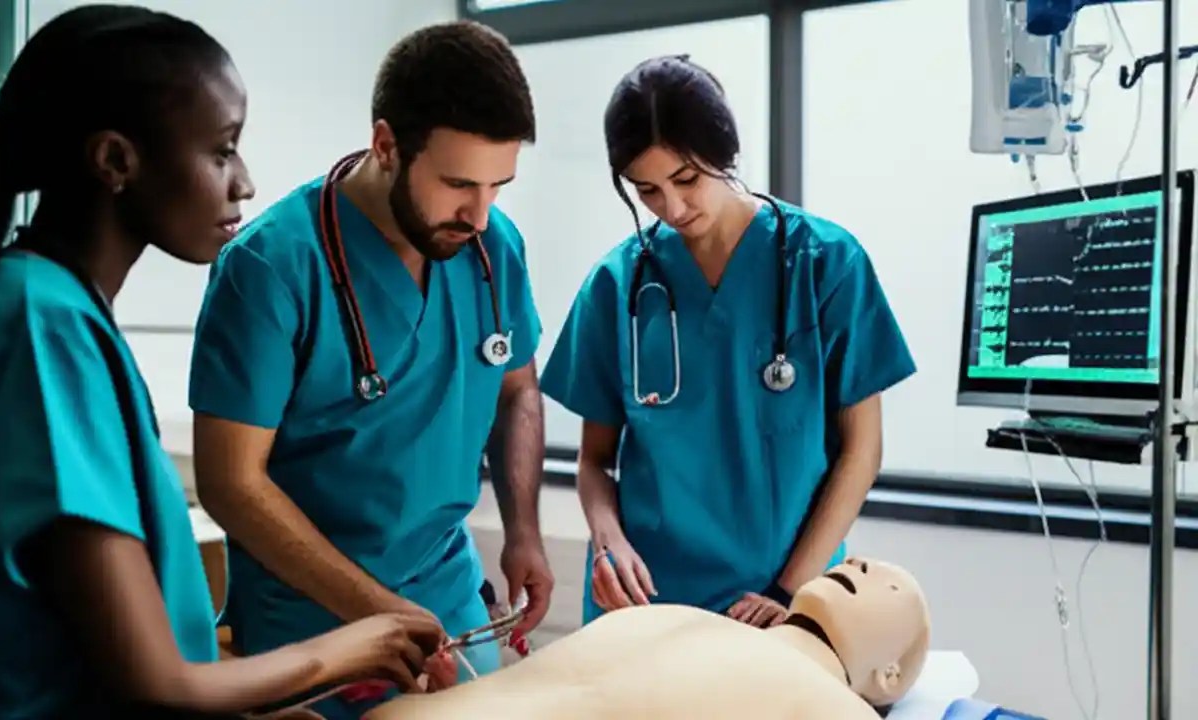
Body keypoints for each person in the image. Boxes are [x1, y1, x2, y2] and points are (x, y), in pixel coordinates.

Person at [0, 6, 446, 718]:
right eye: (223, 150)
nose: (246, 182)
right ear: (115, 161)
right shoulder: (36, 324)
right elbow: (156, 681)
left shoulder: (57, 309)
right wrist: (352, 646)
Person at [187, 20, 553, 719]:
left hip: (447, 600)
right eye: (457, 184)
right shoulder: (269, 270)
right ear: (386, 145)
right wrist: (382, 616)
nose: (480, 214)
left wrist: (525, 533)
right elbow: (231, 483)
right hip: (313, 629)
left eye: (498, 186)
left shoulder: (492, 247)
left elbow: (518, 393)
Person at [540, 55, 917, 628]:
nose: (672, 207)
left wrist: (789, 591)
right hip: (645, 604)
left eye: (686, 179)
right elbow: (594, 462)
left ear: (725, 151)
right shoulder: (617, 285)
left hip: (782, 601)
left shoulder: (826, 264)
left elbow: (861, 452)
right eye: (647, 190)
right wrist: (608, 539)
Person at [364, 557, 933, 719]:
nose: (862, 562)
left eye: (890, 583)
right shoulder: (685, 620)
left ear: (891, 676)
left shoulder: (834, 706)